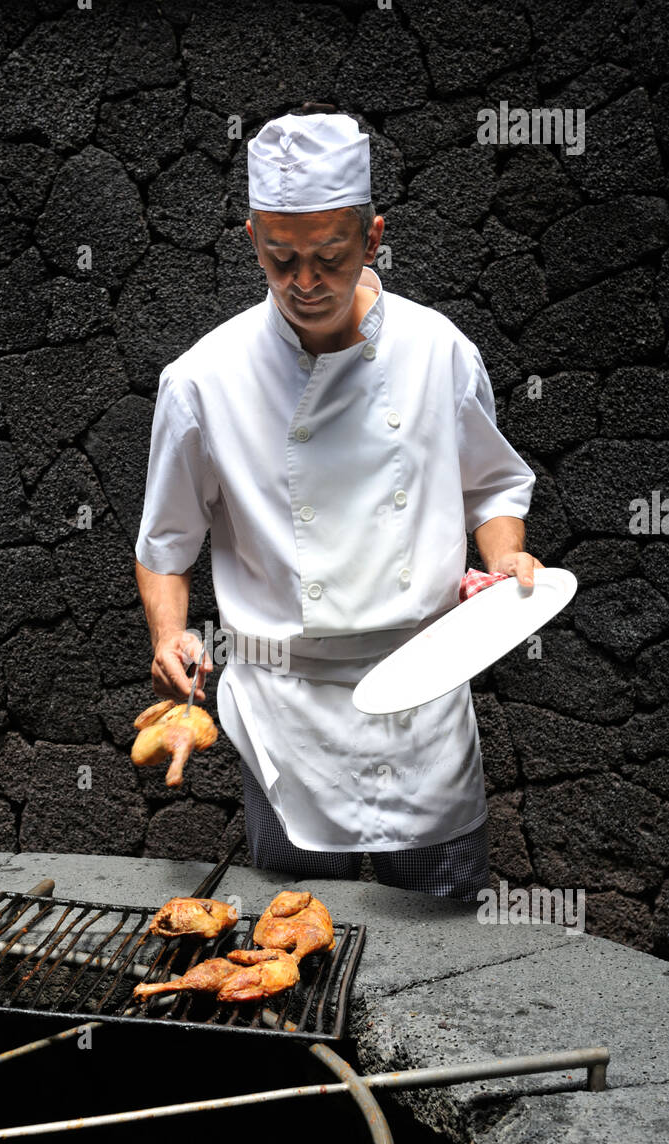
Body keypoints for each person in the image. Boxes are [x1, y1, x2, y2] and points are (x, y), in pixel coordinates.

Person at [134, 103, 540, 900]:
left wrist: (502, 559)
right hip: (285, 706)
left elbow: (490, 485)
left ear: (373, 236)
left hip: (421, 688)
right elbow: (166, 544)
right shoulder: (202, 379)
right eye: (281, 259)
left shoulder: (437, 349)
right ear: (252, 240)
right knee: (292, 928)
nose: (306, 282)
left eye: (329, 255)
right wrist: (171, 634)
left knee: (439, 936)